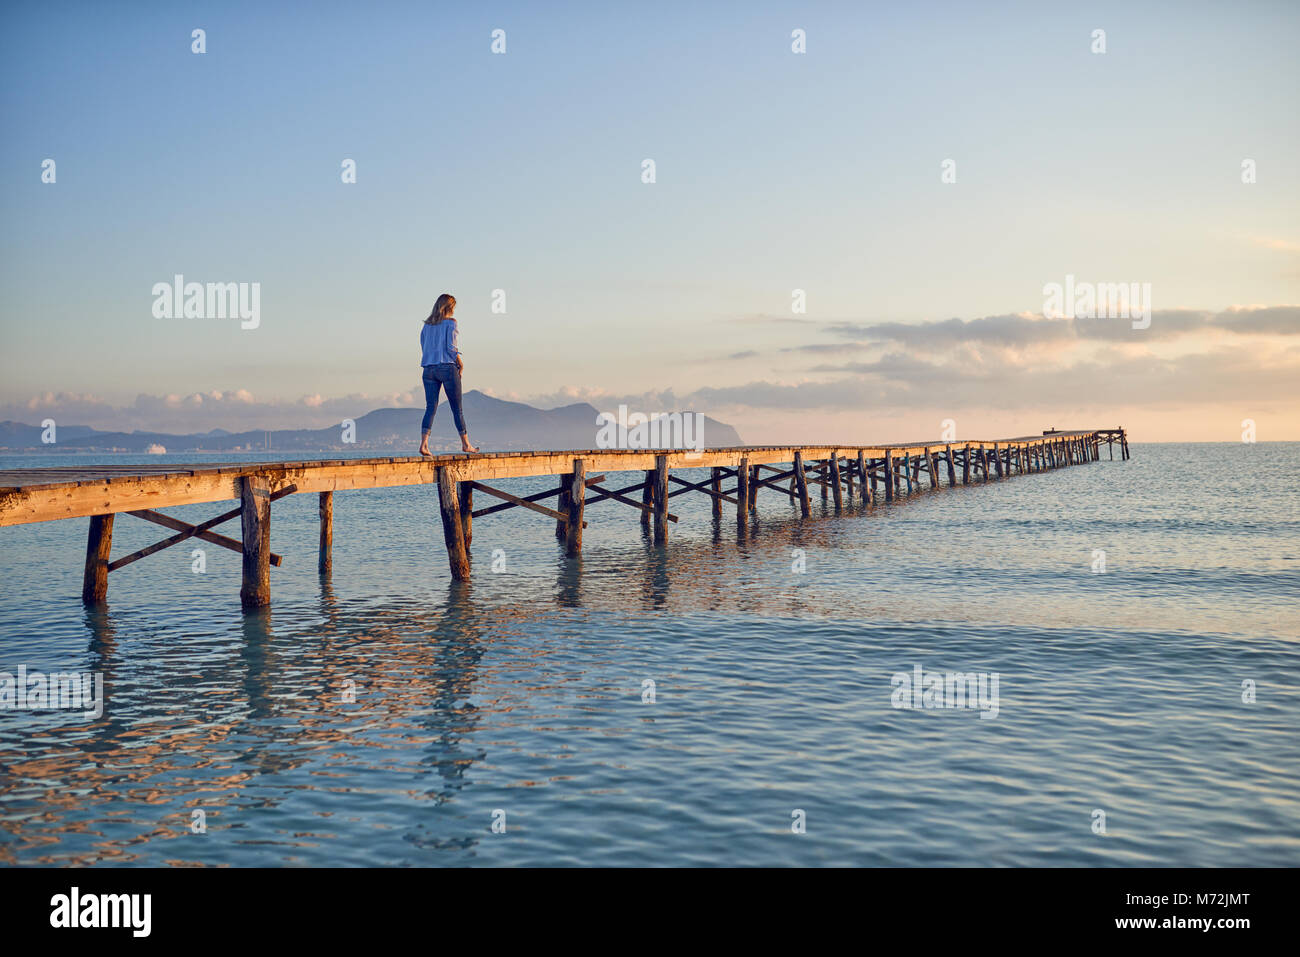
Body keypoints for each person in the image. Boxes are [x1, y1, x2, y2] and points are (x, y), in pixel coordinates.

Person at [418, 293, 478, 455]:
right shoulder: (451, 323)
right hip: (447, 367)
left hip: (428, 368)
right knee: (457, 409)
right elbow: (451, 347)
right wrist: (459, 361)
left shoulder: (426, 326)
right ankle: (466, 444)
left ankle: (424, 444)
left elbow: (424, 347)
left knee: (430, 407)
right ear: (450, 307)